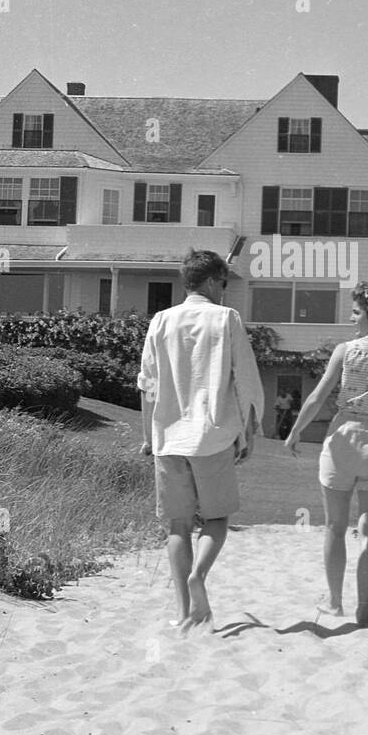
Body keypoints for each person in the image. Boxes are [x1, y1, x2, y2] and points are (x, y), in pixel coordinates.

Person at [137, 249, 264, 633]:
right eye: (223, 283)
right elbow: (246, 380)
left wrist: (148, 437)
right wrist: (249, 431)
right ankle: (199, 576)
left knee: (177, 527)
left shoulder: (160, 321)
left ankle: (185, 610)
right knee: (216, 519)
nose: (225, 290)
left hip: (169, 438)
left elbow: (148, 387)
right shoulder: (226, 318)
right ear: (211, 281)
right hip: (212, 436)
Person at [285, 282, 368, 628]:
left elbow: (316, 397)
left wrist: (296, 431)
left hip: (343, 439)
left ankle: (335, 601)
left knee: (334, 526)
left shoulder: (347, 350)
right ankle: (364, 610)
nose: (351, 316)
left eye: (356, 311)